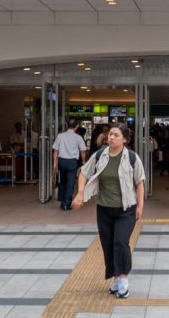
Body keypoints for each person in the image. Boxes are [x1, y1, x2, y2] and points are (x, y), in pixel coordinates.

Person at [73, 123, 146, 299]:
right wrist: (80, 193)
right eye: (110, 134)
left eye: (116, 135)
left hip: (126, 209)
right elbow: (83, 172)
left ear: (125, 139)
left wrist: (140, 205)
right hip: (104, 209)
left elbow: (140, 182)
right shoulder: (100, 155)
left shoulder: (132, 158)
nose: (111, 137)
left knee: (121, 242)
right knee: (108, 245)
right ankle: (116, 278)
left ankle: (123, 279)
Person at [53, 119, 88, 211]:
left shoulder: (60, 136)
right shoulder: (78, 137)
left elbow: (55, 151)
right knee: (70, 183)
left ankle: (62, 201)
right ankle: (66, 204)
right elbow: (83, 151)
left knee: (62, 182)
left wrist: (55, 163)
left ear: (67, 126)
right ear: (76, 127)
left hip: (62, 161)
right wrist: (83, 161)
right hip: (72, 162)